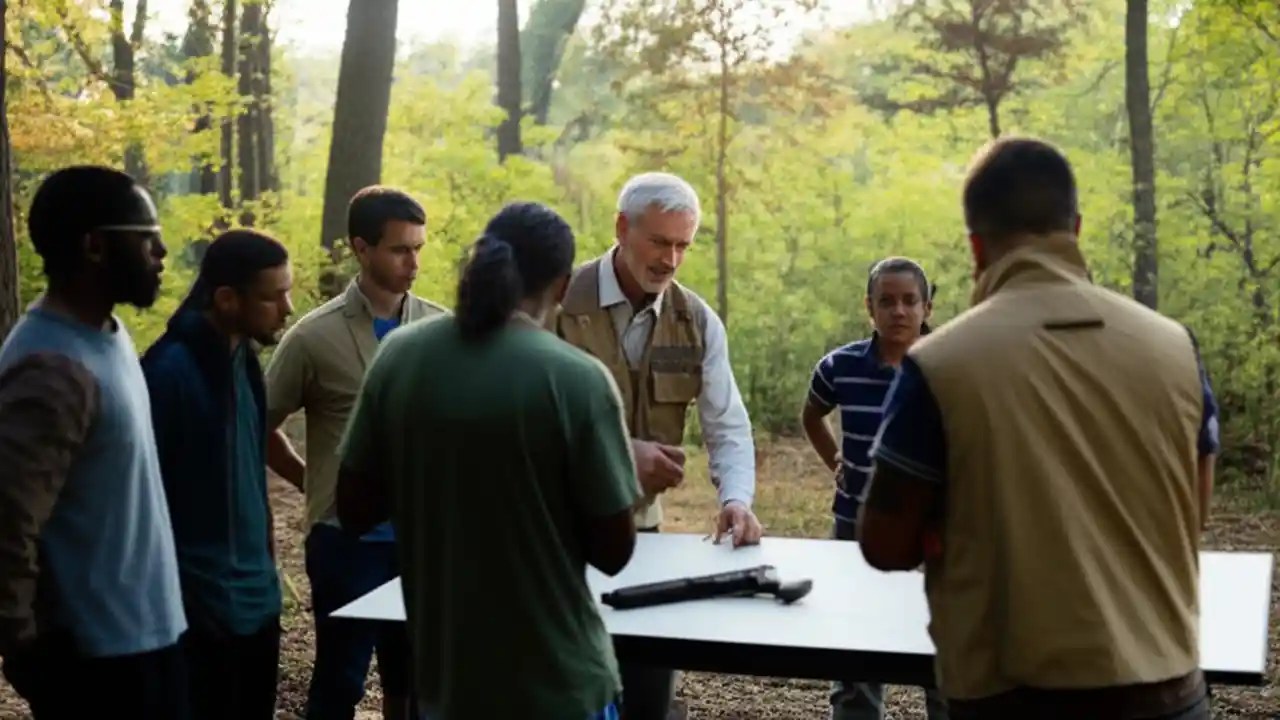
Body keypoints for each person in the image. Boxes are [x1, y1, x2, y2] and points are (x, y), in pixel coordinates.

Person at [858, 137, 1219, 719]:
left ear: (976, 246)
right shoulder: (1174, 347)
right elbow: (1192, 514)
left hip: (1009, 697)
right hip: (1171, 694)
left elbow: (884, 544)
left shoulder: (940, 365)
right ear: (1074, 227)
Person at [335, 201, 641, 719]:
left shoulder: (400, 357)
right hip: (558, 684)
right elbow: (613, 551)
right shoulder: (577, 379)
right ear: (563, 286)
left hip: (445, 685)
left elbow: (355, 507)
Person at [547, 171, 762, 720]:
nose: (670, 259)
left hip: (641, 536)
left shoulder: (698, 321)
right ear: (622, 228)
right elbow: (516, 426)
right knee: (563, 688)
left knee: (648, 691)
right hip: (552, 537)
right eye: (659, 241)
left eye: (683, 245)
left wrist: (736, 499)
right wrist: (621, 455)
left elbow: (727, 423)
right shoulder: (554, 303)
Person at [0, 166, 189, 718]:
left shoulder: (106, 335)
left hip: (148, 641)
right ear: (95, 246)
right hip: (100, 667)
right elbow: (8, 527)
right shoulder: (50, 368)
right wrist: (31, 655)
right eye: (147, 237)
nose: (162, 250)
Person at [264, 185, 445, 720]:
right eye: (399, 249)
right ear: (361, 249)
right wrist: (310, 483)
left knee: (414, 682)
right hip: (345, 539)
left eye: (418, 248)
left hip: (424, 539)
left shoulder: (443, 330)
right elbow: (258, 424)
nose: (413, 262)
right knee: (340, 681)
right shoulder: (313, 338)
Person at [140, 229, 295, 720]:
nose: (287, 309)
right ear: (227, 299)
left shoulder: (243, 361)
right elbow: (146, 504)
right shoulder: (170, 373)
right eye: (273, 297)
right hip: (199, 614)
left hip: (254, 607)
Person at [801, 256, 948, 720]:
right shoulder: (839, 367)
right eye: (886, 301)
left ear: (927, 306)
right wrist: (836, 462)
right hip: (855, 528)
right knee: (854, 653)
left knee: (943, 655)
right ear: (870, 307)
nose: (898, 312)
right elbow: (812, 415)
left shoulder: (950, 367)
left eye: (909, 301)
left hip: (936, 535)